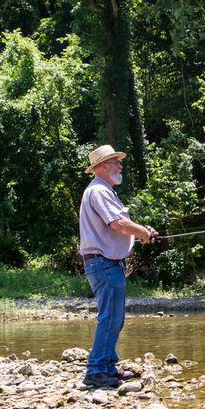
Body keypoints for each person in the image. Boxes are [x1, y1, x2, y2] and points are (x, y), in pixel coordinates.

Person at [79, 144, 156, 389]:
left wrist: (142, 232)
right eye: (115, 162)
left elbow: (121, 225)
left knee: (114, 319)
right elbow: (118, 224)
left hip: (104, 264)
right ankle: (97, 371)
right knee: (110, 318)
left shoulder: (103, 191)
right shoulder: (99, 191)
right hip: (104, 264)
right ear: (102, 166)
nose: (120, 166)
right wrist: (143, 232)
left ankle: (107, 366)